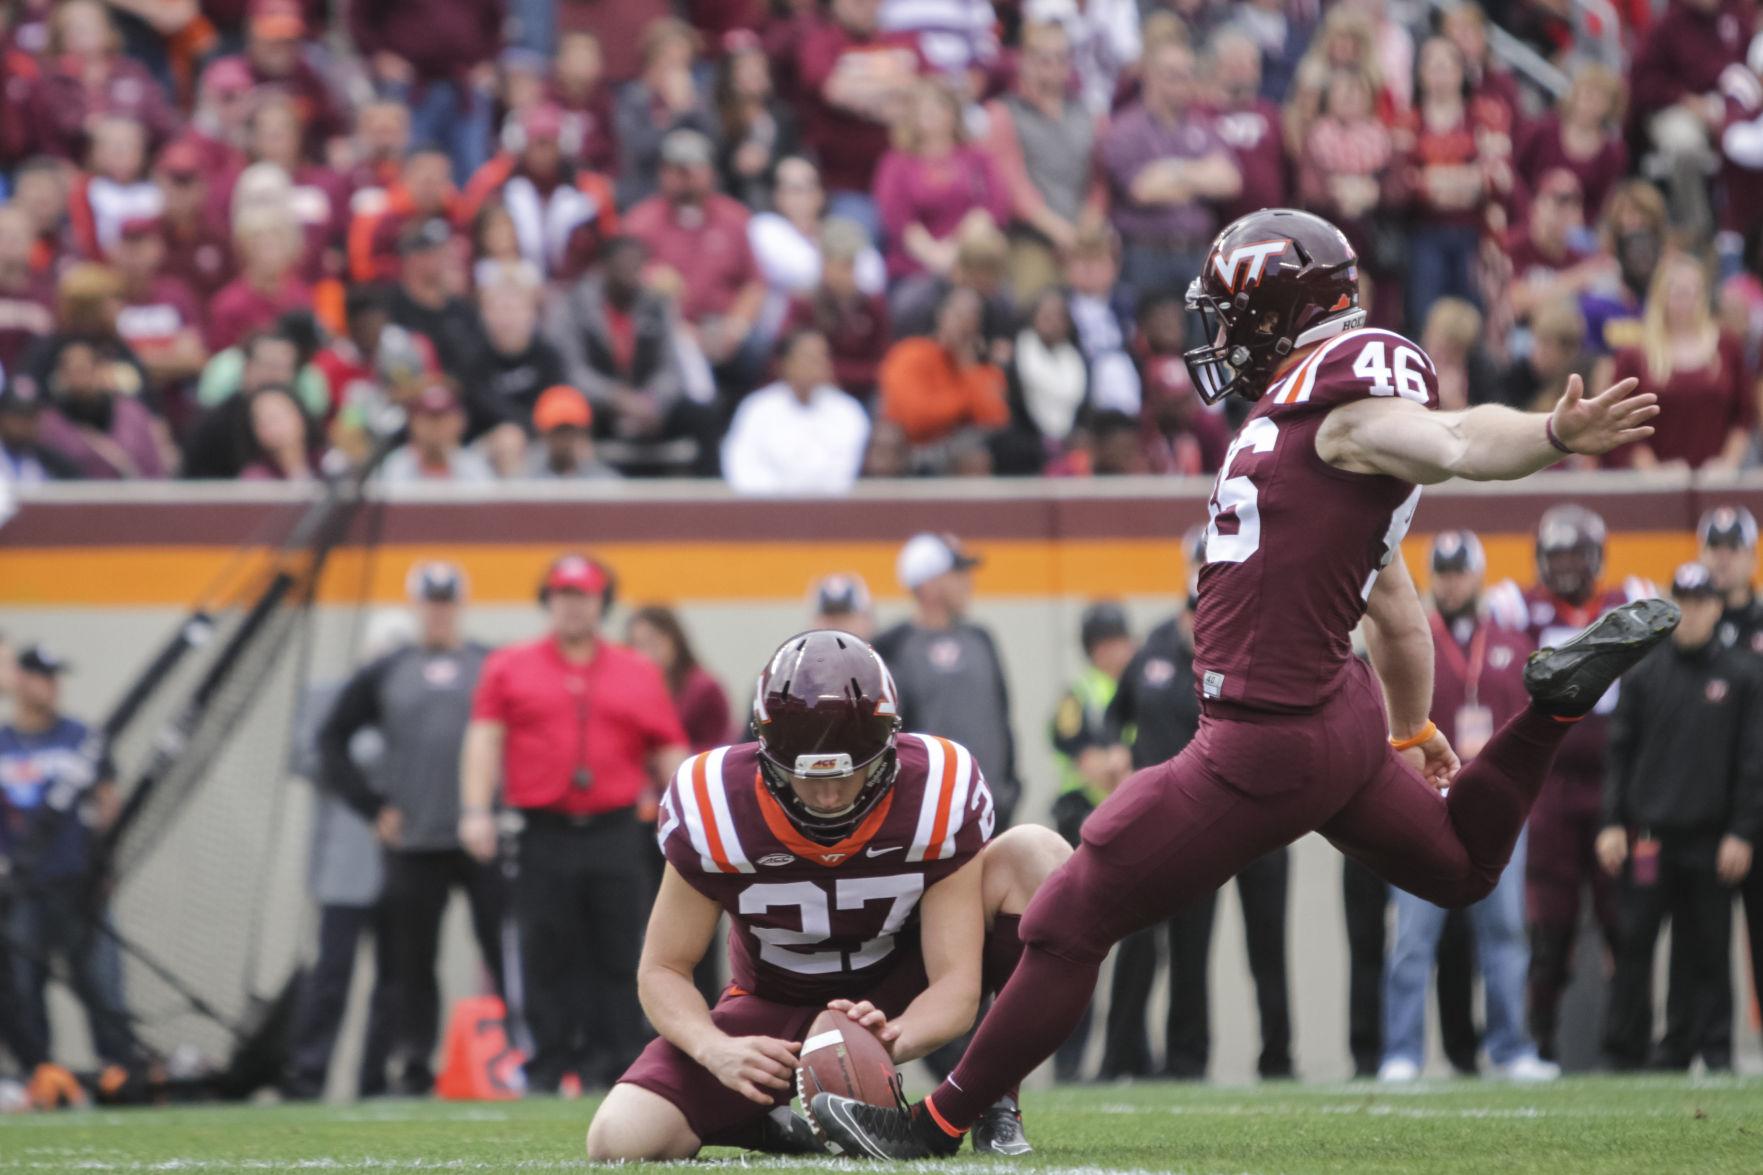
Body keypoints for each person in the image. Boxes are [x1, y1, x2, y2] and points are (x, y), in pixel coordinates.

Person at [806, 206, 1674, 1158]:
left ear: (1278, 310)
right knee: (1459, 867)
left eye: (1229, 309)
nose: (1217, 332)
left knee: (1066, 912)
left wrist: (1549, 430)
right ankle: (1548, 707)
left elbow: (1459, 442)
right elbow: (1392, 607)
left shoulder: (1344, 412)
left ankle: (934, 1127)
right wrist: (1411, 726)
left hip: (1263, 738)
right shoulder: (1305, 426)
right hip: (1340, 712)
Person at [583, 629, 1070, 1160]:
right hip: (771, 1006)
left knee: (1035, 855)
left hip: (893, 988)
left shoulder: (934, 791)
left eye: (849, 771)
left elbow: (955, 986)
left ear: (887, 747)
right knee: (619, 1140)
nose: (829, 794)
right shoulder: (716, 805)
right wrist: (715, 1049)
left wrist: (885, 1042)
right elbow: (663, 968)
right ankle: (786, 1127)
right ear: (767, 753)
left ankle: (991, 1097)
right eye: (806, 776)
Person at [460, 554, 689, 1091]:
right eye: (562, 595)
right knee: (544, 947)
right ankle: (545, 1062)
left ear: (600, 603)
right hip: (542, 829)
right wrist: (475, 810)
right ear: (548, 600)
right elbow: (485, 738)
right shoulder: (509, 666)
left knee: (619, 947)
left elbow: (669, 747)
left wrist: (684, 814)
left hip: (614, 829)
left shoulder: (636, 669)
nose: (572, 606)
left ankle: (616, 1061)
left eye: (582, 595)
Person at [1105, 532, 1293, 1082]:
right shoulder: (1157, 647)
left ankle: (1277, 1058)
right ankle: (1187, 1060)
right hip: (1191, 822)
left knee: (1268, 943)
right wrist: (1114, 750)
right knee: (1190, 945)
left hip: (1259, 816)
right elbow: (1116, 713)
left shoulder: (1257, 638)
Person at [1378, 531, 1557, 1083]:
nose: (1451, 580)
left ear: (1478, 575)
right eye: (1443, 571)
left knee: (1503, 931)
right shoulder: (1414, 640)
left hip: (1495, 809)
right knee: (1413, 937)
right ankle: (1402, 1052)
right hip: (1426, 805)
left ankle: (1509, 1047)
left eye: (1459, 571)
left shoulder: (1509, 643)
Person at [318, 563, 501, 1095]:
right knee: (411, 962)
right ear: (417, 606)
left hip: (479, 836)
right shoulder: (387, 671)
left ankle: (524, 1055)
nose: (439, 612)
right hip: (414, 840)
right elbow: (333, 739)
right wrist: (372, 805)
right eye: (431, 602)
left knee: (501, 947)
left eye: (447, 602)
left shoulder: (490, 664)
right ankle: (413, 1063)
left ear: (460, 606)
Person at [1492, 503, 1652, 1064]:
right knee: (1550, 923)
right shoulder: (1521, 609)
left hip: (1613, 788)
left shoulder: (1625, 602)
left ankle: (1630, 1044)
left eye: (1573, 556)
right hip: (1552, 787)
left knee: (1623, 920)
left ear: (1597, 559)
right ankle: (1539, 1044)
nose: (1563, 569)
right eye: (1554, 557)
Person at [1599, 562, 1762, 1072]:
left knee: (1708, 949)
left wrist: (1741, 832)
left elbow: (1752, 762)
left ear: (1716, 606)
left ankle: (1710, 1051)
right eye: (1682, 601)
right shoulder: (1645, 673)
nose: (1690, 613)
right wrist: (1610, 822)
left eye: (1700, 602)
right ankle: (1627, 1053)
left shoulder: (1742, 675)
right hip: (1650, 838)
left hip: (1710, 838)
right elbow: (1619, 753)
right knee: (1635, 943)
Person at [282, 611, 407, 1101]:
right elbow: (308, 757)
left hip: (400, 859)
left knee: (396, 978)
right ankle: (308, 1074)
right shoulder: (328, 698)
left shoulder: (410, 703)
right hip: (342, 860)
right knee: (332, 972)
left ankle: (376, 1080)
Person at [0, 645, 136, 1071]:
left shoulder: (80, 738)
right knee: (23, 986)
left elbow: (108, 804)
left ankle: (118, 1071)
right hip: (20, 890)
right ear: (21, 680)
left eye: (56, 677)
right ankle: (40, 1075)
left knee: (101, 983)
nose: (53, 686)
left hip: (77, 883)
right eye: (44, 676)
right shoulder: (4, 744)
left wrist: (103, 864)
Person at [874, 533, 1020, 827]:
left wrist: (1010, 787)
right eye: (958, 573)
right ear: (928, 584)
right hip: (927, 815)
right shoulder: (892, 647)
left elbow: (1001, 717)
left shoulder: (981, 639)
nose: (968, 582)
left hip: (993, 809)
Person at [1045, 602, 1133, 1081]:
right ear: (1098, 649)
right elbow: (1086, 759)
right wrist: (1121, 767)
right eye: (1118, 642)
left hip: (1125, 827)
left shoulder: (1135, 690)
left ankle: (1125, 1058)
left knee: (1137, 952)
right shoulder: (1079, 695)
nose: (1127, 650)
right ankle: (1070, 1064)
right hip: (1081, 824)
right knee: (1077, 943)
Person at [1098, 38, 1241, 301]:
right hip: (1146, 253)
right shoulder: (1125, 129)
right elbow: (1142, 190)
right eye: (1173, 75)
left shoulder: (1202, 125)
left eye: (1188, 74)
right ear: (1149, 77)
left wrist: (1172, 171)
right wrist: (1199, 175)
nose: (1183, 83)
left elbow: (1229, 180)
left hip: (1196, 252)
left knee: (1203, 338)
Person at [1697, 505, 1763, 1039]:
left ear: (1750, 554)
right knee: (1706, 939)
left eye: (1731, 548)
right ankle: (1713, 1046)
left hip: (1755, 802)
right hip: (1706, 806)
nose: (1722, 559)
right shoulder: (1693, 624)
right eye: (1714, 548)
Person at [1607, 254, 1755, 471]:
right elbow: (1620, 422)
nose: (1688, 301)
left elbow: (1743, 415)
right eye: (1679, 292)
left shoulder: (1727, 346)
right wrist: (1653, 471)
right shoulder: (1634, 355)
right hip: (1655, 484)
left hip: (1717, 481)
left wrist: (1728, 463)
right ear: (1661, 295)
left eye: (1695, 292)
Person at [722, 329, 870, 496]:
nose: (817, 364)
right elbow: (742, 464)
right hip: (766, 511)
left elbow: (844, 472)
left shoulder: (848, 411)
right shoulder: (757, 408)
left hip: (830, 513)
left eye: (822, 357)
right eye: (808, 357)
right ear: (785, 364)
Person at [626, 606, 731, 756]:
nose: (646, 653)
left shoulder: (704, 689)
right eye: (638, 645)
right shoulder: (633, 689)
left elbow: (720, 747)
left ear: (675, 640)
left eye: (654, 641)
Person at [378, 383, 496, 484]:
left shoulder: (474, 466)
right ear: (412, 422)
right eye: (430, 418)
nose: (437, 426)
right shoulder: (396, 466)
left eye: (443, 417)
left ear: (459, 421)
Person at [522, 385, 620, 481]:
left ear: (583, 434)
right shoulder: (528, 478)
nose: (566, 439)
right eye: (559, 432)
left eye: (571, 431)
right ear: (544, 435)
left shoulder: (600, 479)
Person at [808, 573, 875, 640]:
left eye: (845, 616)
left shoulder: (883, 648)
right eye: (830, 616)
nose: (838, 625)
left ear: (866, 621)